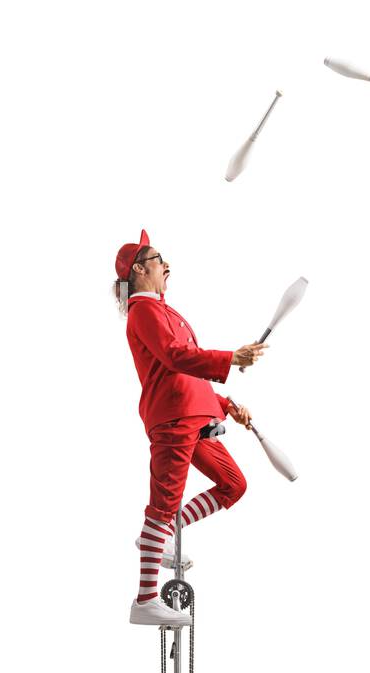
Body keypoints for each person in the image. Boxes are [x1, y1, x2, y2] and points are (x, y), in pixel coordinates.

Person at [113, 229, 269, 626]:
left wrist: (227, 405)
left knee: (233, 484)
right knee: (161, 505)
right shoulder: (144, 310)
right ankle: (145, 599)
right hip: (174, 419)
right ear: (139, 270)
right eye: (159, 259)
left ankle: (165, 534)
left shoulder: (164, 310)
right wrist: (230, 358)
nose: (167, 265)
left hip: (195, 415)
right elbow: (176, 357)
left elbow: (185, 374)